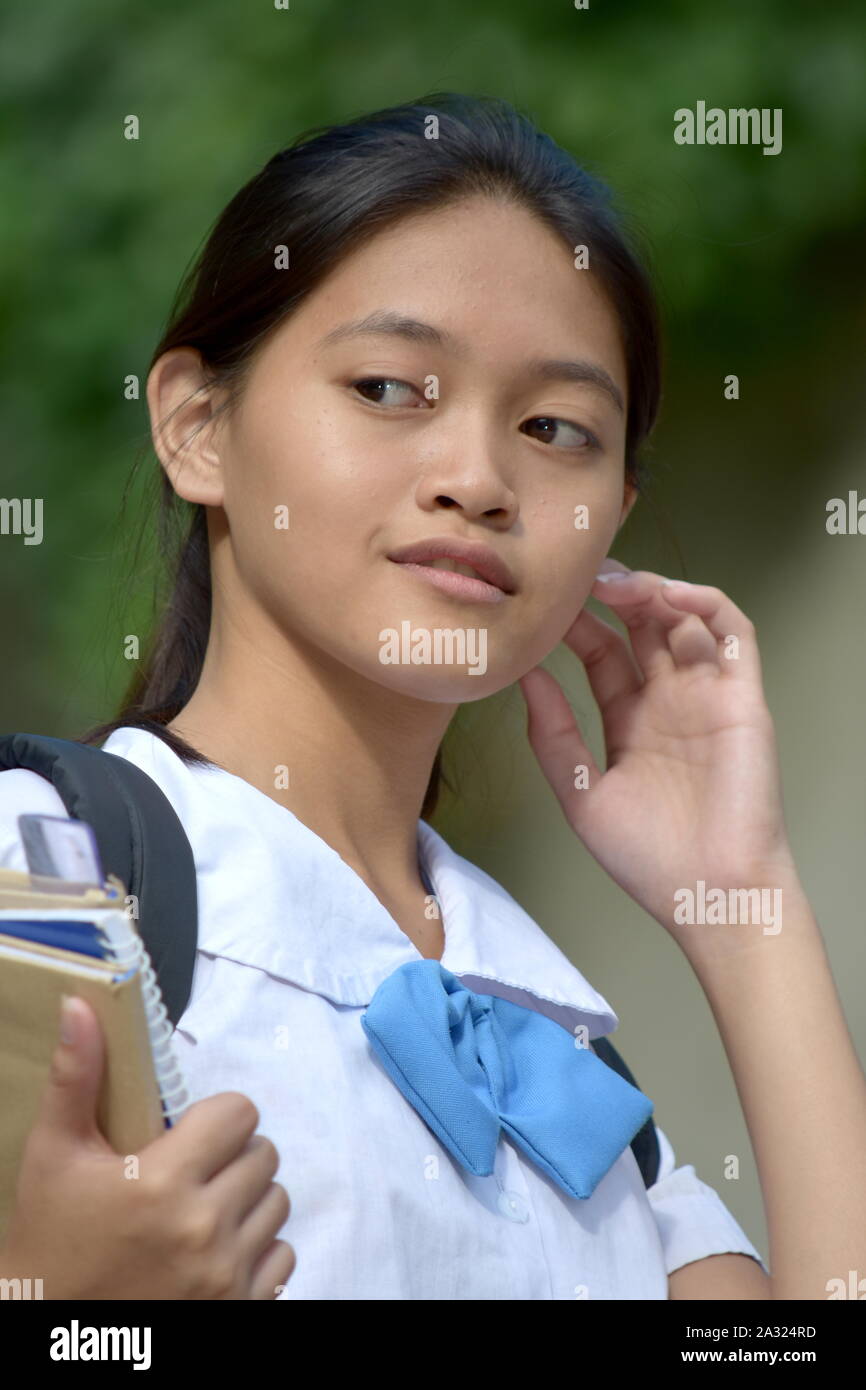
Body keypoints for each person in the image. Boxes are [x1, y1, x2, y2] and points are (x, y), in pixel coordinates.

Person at [1, 92, 863, 1300]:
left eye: (556, 427)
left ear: (612, 518)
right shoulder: (41, 873)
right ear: (197, 426)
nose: (476, 478)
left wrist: (745, 899)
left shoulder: (566, 1062)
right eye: (391, 389)